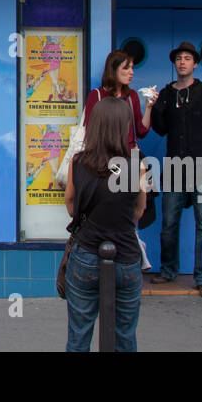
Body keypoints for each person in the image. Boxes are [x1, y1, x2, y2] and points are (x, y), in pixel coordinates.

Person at [149, 42, 202, 298]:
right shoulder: (165, 93)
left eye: (187, 58)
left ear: (195, 63)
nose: (182, 62)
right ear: (174, 63)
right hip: (175, 167)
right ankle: (168, 270)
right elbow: (160, 129)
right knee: (169, 223)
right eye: (178, 58)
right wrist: (154, 106)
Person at [64, 97, 146, 352]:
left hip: (86, 254)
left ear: (95, 125)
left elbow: (70, 203)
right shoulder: (137, 166)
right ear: (124, 127)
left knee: (79, 336)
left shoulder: (78, 163)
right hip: (126, 257)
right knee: (125, 336)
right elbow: (139, 210)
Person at [84, 49, 154, 149]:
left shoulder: (131, 95)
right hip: (104, 156)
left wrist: (148, 107)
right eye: (126, 68)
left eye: (132, 68)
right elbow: (91, 132)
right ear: (113, 69)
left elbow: (141, 131)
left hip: (128, 155)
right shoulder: (96, 95)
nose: (131, 72)